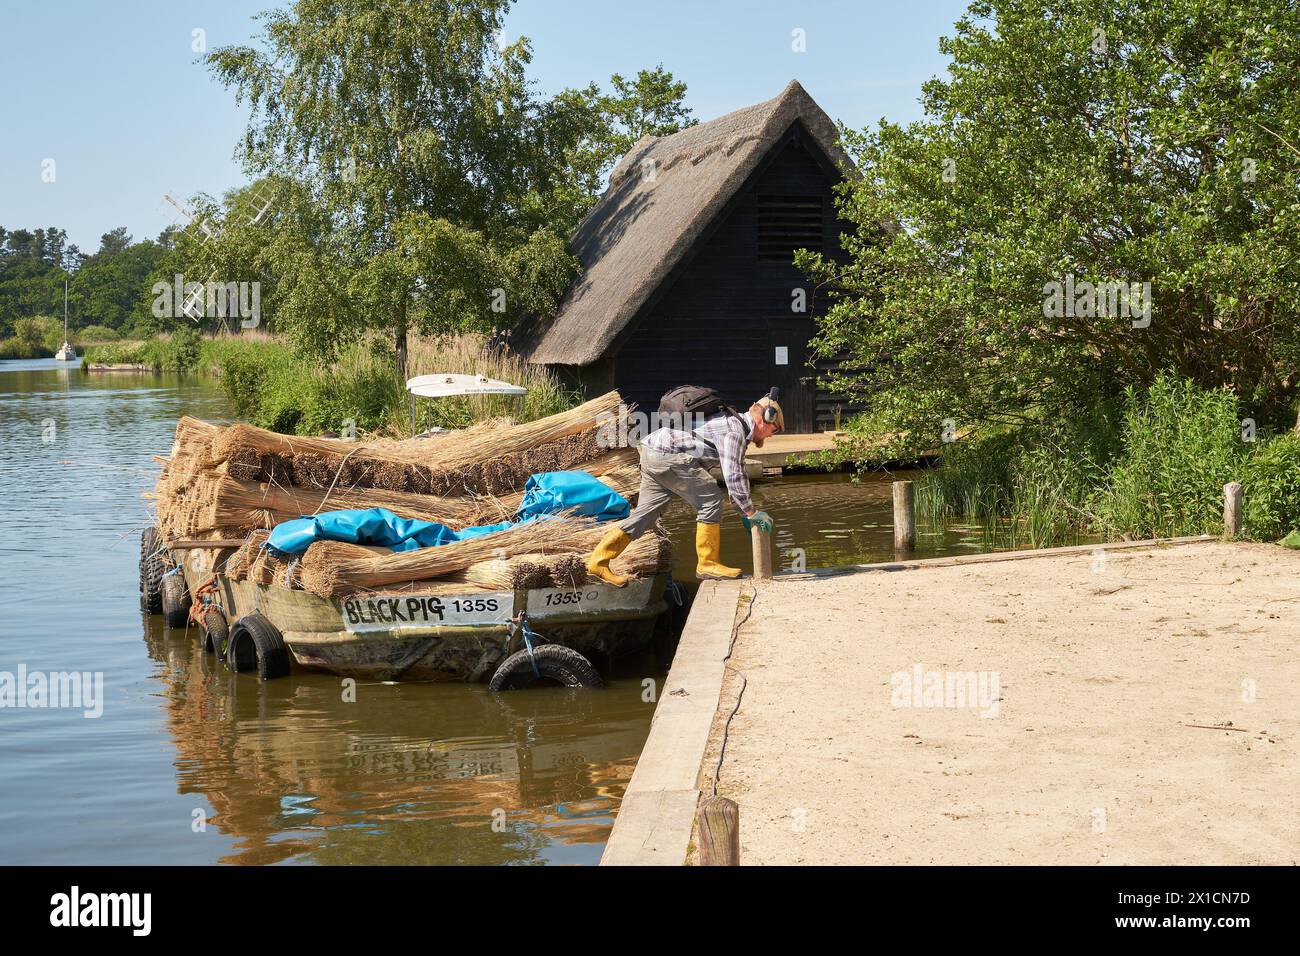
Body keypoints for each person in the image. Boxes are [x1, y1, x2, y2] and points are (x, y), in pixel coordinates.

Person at [586, 394, 782, 585]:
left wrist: (745, 512)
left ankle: (598, 561)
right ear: (766, 419)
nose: (774, 435)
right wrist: (751, 513)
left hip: (652, 452)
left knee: (645, 514)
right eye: (776, 430)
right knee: (711, 499)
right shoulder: (734, 430)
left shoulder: (733, 424)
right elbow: (733, 475)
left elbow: (735, 473)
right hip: (668, 455)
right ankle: (708, 563)